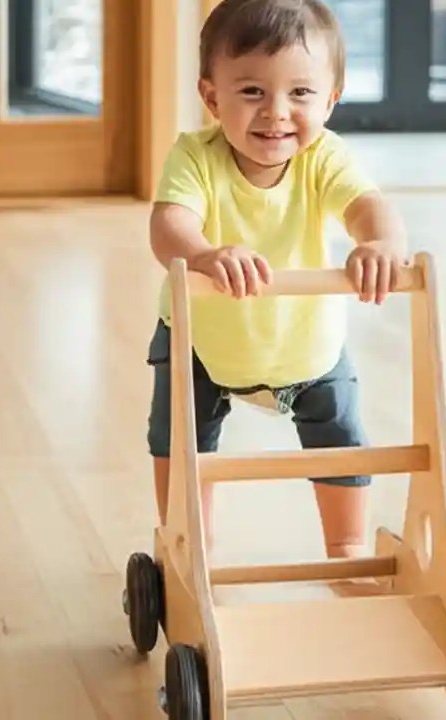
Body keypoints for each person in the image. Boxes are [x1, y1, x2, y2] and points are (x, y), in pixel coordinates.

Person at [146, 0, 409, 561]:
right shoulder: (195, 157)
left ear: (331, 100)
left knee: (340, 434)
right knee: (178, 437)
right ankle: (188, 542)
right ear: (212, 97)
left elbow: (367, 205)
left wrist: (379, 242)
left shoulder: (324, 159)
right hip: (202, 337)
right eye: (252, 92)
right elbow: (169, 225)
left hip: (303, 338)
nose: (276, 113)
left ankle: (345, 546)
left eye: (300, 94)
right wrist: (202, 253)